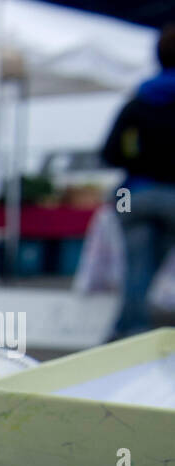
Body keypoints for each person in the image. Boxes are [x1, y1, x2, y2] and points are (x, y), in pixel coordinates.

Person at [102, 23, 175, 341]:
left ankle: (129, 335)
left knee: (136, 269)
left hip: (134, 194)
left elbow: (110, 152)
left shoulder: (138, 100)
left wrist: (139, 159)